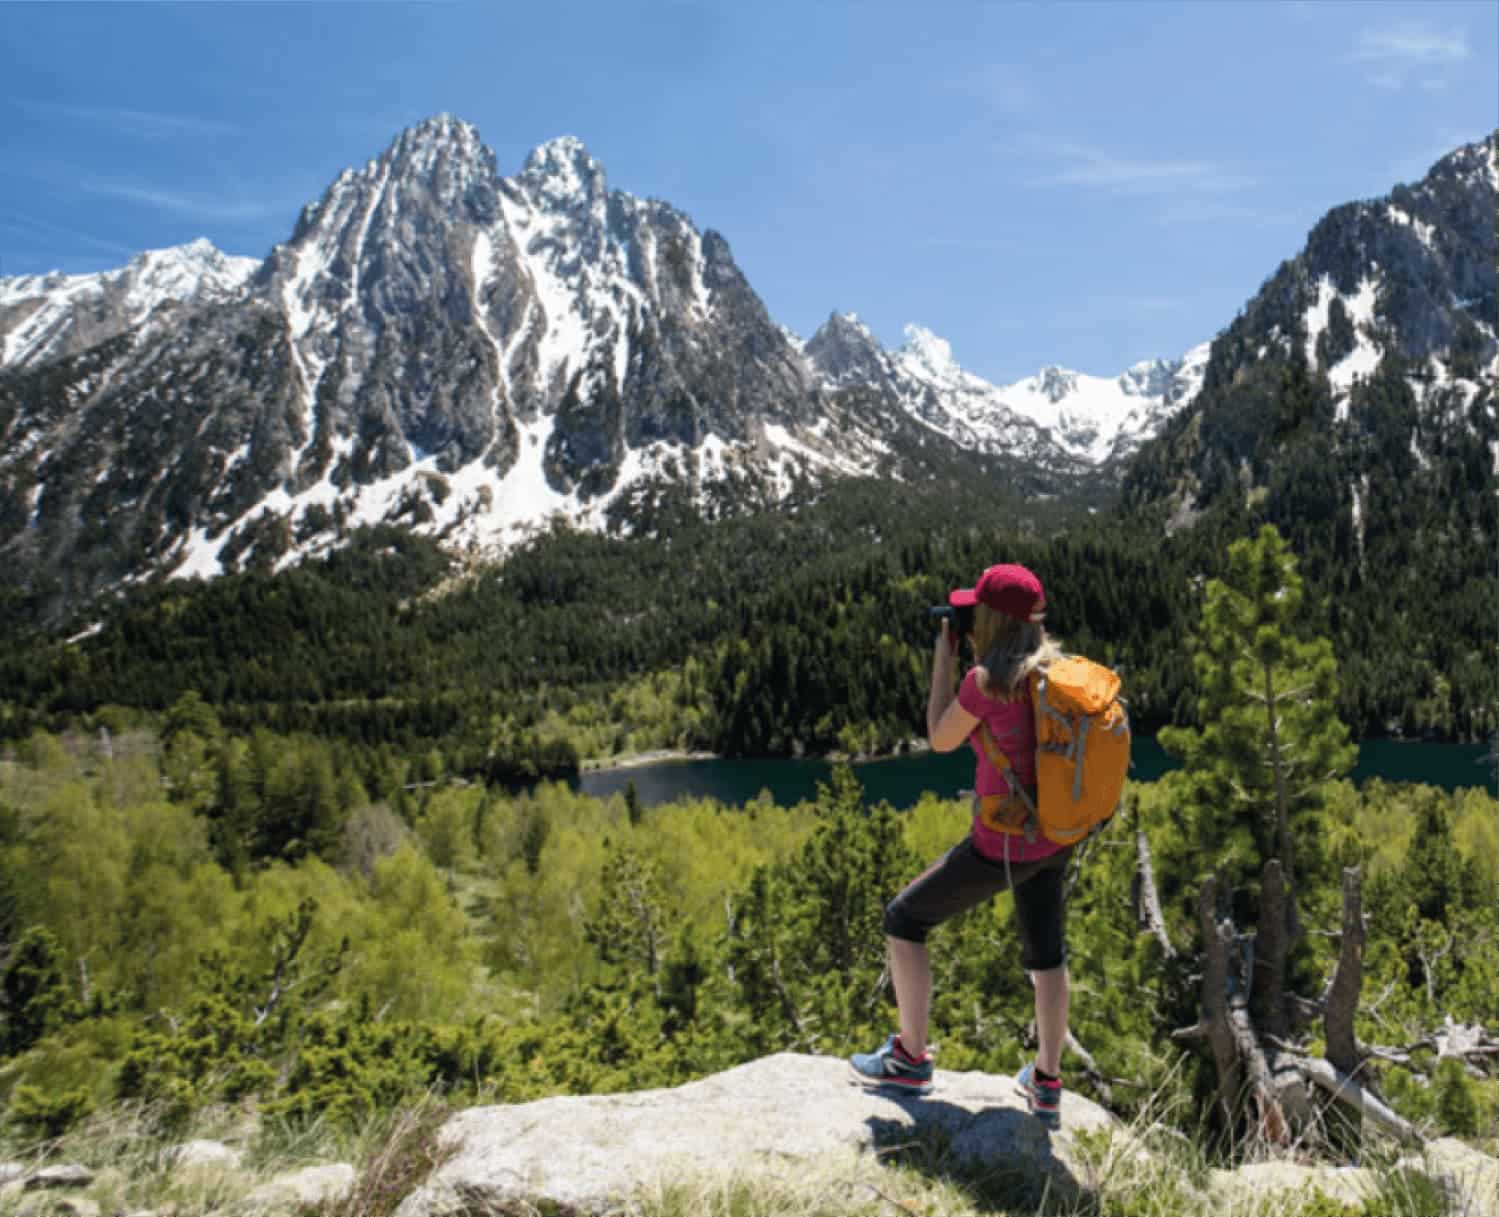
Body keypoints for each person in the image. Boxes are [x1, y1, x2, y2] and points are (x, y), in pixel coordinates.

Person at [850, 562, 1071, 1128]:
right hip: (1054, 835)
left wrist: (944, 660)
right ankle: (1047, 1082)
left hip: (1003, 843)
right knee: (1047, 953)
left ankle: (910, 1058)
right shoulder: (1059, 672)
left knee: (904, 919)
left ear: (989, 619)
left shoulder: (986, 682)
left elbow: (939, 736)